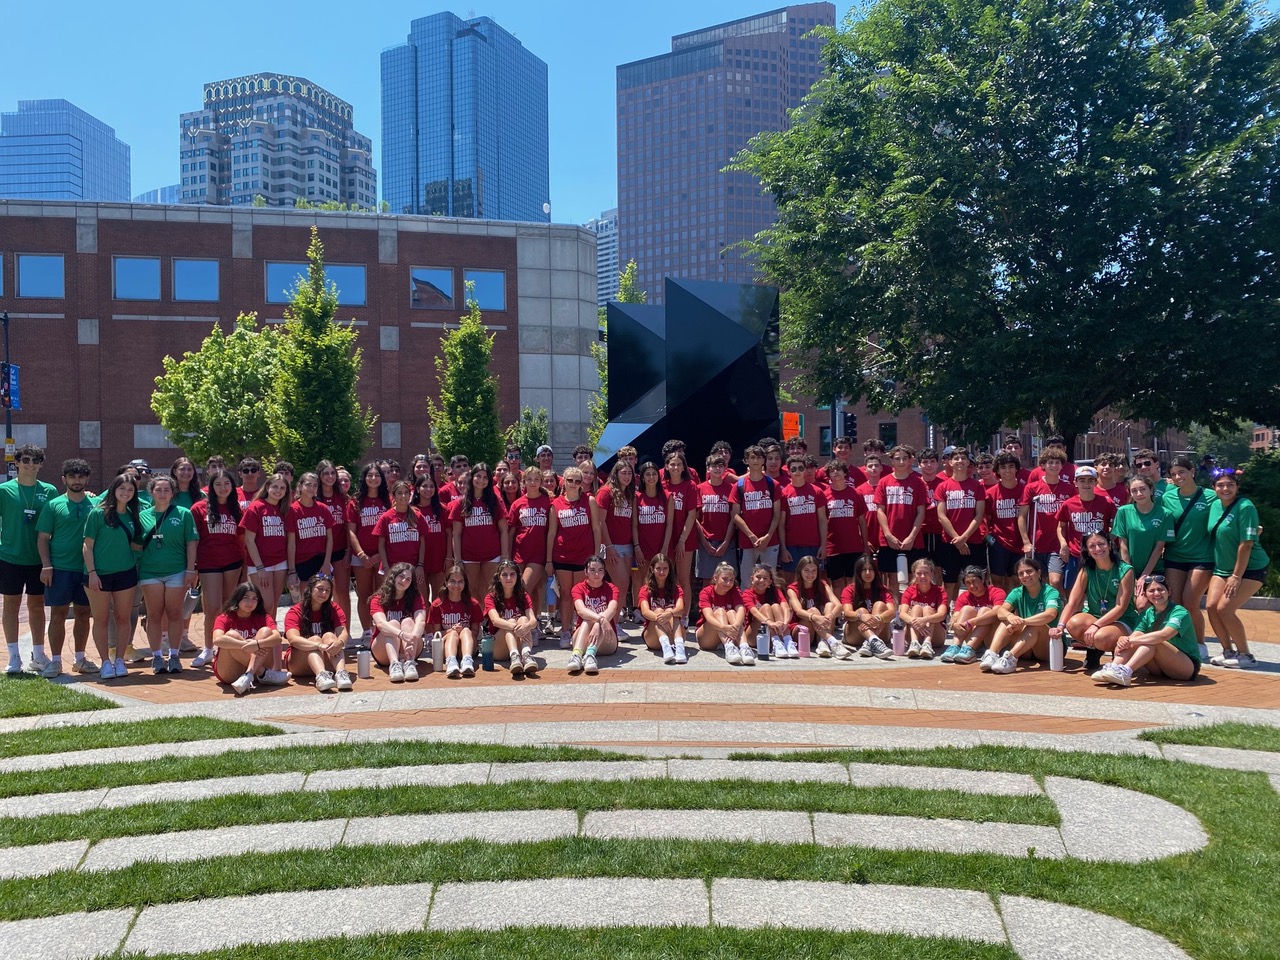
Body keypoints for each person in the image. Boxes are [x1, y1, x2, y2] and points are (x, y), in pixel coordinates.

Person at [34, 459, 96, 677]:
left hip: (86, 569)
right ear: (64, 479)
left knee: (83, 612)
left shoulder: (95, 505)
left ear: (87, 479)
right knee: (58, 614)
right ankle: (56, 661)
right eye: (72, 476)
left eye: (81, 477)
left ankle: (80, 659)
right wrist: (46, 565)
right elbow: (43, 538)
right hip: (59, 568)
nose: (76, 481)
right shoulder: (54, 505)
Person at [0, 444, 58, 674]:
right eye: (26, 460)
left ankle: (38, 654)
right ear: (17, 463)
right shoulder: (4, 490)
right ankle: (14, 657)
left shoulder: (50, 491)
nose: (30, 464)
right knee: (11, 606)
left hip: (39, 560)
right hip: (9, 557)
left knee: (37, 606)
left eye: (36, 460)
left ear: (41, 464)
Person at [1206, 470, 1270, 669]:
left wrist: (1236, 576)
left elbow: (1246, 544)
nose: (1225, 488)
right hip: (1222, 568)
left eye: (1230, 484)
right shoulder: (1215, 505)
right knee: (1211, 607)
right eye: (1221, 485)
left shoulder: (1245, 507)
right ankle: (1228, 651)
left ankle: (1246, 655)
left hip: (1250, 568)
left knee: (1225, 609)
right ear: (1214, 488)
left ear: (1237, 487)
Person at [82, 474, 144, 679]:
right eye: (122, 488)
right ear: (113, 489)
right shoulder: (98, 514)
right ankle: (105, 662)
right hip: (98, 575)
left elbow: (135, 544)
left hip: (125, 573)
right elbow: (87, 546)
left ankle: (119, 659)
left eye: (130, 490)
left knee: (123, 618)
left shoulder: (133, 514)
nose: (126, 493)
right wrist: (92, 573)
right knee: (100, 619)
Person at [1050, 531, 1136, 674]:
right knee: (1074, 623)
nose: (1097, 549)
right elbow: (1072, 602)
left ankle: (1118, 650)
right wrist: (1060, 626)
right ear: (1087, 551)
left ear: (1109, 545)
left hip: (1122, 620)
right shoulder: (1086, 570)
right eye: (1092, 546)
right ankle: (1094, 650)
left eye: (1101, 544)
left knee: (1101, 637)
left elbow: (1120, 608)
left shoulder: (1125, 570)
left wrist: (1096, 625)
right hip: (1096, 616)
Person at [138, 475, 199, 674]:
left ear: (173, 493)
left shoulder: (183, 514)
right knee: (154, 614)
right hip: (150, 572)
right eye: (158, 490)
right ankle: (157, 656)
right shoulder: (142, 516)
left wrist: (191, 569)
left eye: (167, 490)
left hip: (177, 571)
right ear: (151, 492)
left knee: (174, 613)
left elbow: (192, 542)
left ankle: (174, 655)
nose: (162, 494)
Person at [1093, 575, 1200, 687]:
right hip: (1159, 668)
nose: (1157, 593)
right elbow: (1136, 635)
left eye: (1161, 590)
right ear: (1145, 595)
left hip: (1186, 667)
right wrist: (1123, 640)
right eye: (1151, 591)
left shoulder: (1180, 612)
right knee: (1130, 641)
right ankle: (1114, 667)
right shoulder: (1146, 614)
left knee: (1153, 641)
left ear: (1168, 592)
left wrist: (1132, 641)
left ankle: (1126, 671)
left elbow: (1164, 635)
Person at [1160, 455, 1218, 654]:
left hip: (1202, 557)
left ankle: (1200, 644)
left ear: (1192, 471)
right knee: (1174, 603)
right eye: (1174, 474)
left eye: (1181, 472)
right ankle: (1181, 642)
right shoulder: (1168, 496)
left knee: (1191, 602)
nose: (1178, 477)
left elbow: (1226, 517)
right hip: (1175, 556)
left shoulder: (1210, 496)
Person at [190, 468, 244, 669]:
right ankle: (208, 648)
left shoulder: (237, 509)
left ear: (232, 486)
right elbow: (193, 540)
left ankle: (225, 648)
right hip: (208, 563)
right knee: (211, 608)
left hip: (232, 562)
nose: (223, 488)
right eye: (218, 484)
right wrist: (193, 567)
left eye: (227, 483)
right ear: (211, 486)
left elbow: (242, 540)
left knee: (229, 607)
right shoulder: (198, 509)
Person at [545, 465, 598, 647]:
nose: (574, 484)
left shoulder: (589, 500)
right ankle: (566, 631)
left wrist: (597, 555)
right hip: (562, 556)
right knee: (566, 595)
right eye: (570, 481)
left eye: (578, 481)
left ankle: (580, 630)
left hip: (584, 556)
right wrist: (549, 560)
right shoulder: (556, 504)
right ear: (564, 482)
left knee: (581, 595)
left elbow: (596, 529)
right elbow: (551, 533)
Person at [983, 557, 1062, 675]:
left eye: (1029, 571)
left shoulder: (1050, 592)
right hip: (1026, 648)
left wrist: (1022, 621)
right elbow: (1001, 611)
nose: (1025, 575)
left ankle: (1010, 658)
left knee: (1035, 625)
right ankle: (992, 654)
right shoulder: (1017, 592)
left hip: (1048, 648)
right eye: (1021, 573)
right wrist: (1010, 616)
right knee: (1006, 621)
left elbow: (1050, 614)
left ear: (1039, 573)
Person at [211, 582, 286, 695]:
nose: (250, 602)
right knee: (232, 635)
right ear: (237, 598)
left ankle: (248, 675)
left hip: (257, 665)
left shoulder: (263, 617)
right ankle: (263, 673)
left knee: (266, 631)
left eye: (254, 599)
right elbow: (217, 640)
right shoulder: (224, 617)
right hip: (230, 671)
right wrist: (246, 645)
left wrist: (257, 644)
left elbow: (277, 638)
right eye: (246, 598)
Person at [875, 445, 929, 597]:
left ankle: (911, 610)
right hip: (889, 539)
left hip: (913, 539)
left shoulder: (918, 483)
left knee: (915, 577)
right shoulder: (884, 482)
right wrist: (888, 535)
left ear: (910, 460)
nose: (901, 462)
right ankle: (896, 614)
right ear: (891, 460)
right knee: (893, 578)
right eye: (897, 458)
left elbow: (921, 512)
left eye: (905, 458)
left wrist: (911, 537)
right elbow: (880, 510)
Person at [448, 463, 508, 599]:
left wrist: (504, 556)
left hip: (492, 555)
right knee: (471, 591)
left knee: (490, 591)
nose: (481, 480)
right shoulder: (461, 503)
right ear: (472, 477)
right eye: (478, 476)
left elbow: (504, 530)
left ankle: (488, 620)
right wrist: (457, 560)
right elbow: (456, 534)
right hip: (469, 556)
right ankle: (474, 620)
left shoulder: (495, 501)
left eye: (485, 477)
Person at [283, 573, 351, 692]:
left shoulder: (334, 608)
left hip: (325, 658)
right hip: (299, 663)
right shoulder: (295, 611)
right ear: (309, 589)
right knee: (315, 639)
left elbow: (343, 633)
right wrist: (318, 645)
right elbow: (293, 639)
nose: (324, 593)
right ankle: (321, 676)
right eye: (320, 589)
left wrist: (340, 643)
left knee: (330, 636)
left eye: (327, 590)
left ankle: (341, 673)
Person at [1111, 475, 1174, 603]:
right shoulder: (1123, 512)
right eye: (1134, 490)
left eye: (1143, 489)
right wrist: (1130, 574)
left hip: (1153, 569)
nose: (1139, 493)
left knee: (1142, 603)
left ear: (1151, 490)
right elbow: (1123, 546)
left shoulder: (1165, 514)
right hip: (1127, 568)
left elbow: (1159, 548)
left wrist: (1144, 577)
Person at [934, 448, 987, 599]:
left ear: (968, 462)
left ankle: (973, 611)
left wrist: (964, 538)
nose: (960, 461)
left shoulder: (977, 486)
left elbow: (979, 514)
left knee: (974, 581)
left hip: (973, 541)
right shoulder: (943, 486)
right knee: (950, 582)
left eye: (963, 458)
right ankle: (949, 615)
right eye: (956, 458)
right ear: (950, 462)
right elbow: (941, 516)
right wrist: (957, 539)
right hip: (949, 542)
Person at [345, 462, 390, 643]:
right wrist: (362, 554)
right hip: (361, 556)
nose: (373, 478)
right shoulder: (355, 502)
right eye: (370, 475)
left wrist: (381, 553)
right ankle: (366, 631)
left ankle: (381, 629)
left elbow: (392, 529)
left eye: (377, 475)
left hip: (383, 555)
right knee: (364, 594)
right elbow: (351, 531)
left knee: (381, 594)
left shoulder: (388, 500)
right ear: (364, 478)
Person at [240, 472, 291, 626]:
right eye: (275, 486)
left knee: (273, 604)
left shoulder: (284, 510)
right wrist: (260, 567)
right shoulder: (256, 507)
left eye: (282, 488)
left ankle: (270, 636)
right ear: (267, 487)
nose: (278, 490)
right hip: (260, 564)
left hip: (280, 562)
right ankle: (260, 634)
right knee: (265, 604)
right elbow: (249, 540)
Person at [1018, 447, 1073, 589]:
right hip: (1037, 543)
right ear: (1043, 465)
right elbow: (1022, 516)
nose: (1054, 466)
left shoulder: (1069, 489)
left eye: (1057, 462)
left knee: (1055, 581)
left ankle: (1058, 608)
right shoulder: (1032, 488)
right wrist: (1026, 542)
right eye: (1050, 462)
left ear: (1062, 465)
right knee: (1038, 582)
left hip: (1057, 544)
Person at [1054, 466, 1116, 592]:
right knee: (1071, 590)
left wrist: (1109, 540)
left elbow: (1116, 525)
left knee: (1100, 589)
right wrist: (1063, 544)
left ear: (1096, 482)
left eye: (1090, 480)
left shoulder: (1106, 502)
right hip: (1076, 554)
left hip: (1099, 554)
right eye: (1082, 480)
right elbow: (1061, 527)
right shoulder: (1068, 504)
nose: (1086, 484)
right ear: (1075, 483)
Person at [730, 445, 782, 584]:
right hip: (747, 541)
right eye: (752, 457)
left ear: (763, 460)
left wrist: (768, 536)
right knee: (747, 581)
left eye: (759, 457)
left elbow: (777, 515)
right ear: (746, 460)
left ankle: (770, 605)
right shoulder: (739, 485)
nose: (756, 461)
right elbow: (735, 515)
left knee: (769, 581)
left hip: (769, 541)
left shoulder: (773, 484)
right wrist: (751, 536)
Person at [507, 467, 551, 630]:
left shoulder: (548, 502)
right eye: (529, 479)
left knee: (525, 586)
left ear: (541, 482)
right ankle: (533, 624)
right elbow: (511, 531)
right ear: (523, 482)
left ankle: (529, 625)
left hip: (538, 554)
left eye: (536, 479)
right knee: (531, 592)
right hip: (519, 553)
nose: (532, 483)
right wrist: (508, 555)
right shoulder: (518, 503)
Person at [595, 461, 638, 621]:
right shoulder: (606, 492)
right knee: (622, 582)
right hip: (611, 546)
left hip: (626, 545)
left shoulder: (629, 493)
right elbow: (601, 521)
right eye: (623, 473)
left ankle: (614, 622)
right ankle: (611, 621)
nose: (627, 476)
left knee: (622, 586)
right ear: (616, 473)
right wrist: (609, 546)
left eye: (629, 473)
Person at [564, 555, 620, 675]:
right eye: (592, 570)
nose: (596, 574)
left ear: (604, 572)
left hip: (607, 639)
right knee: (588, 619)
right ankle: (577, 655)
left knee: (593, 620)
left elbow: (612, 609)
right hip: (582, 638)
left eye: (600, 570)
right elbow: (581, 611)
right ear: (585, 571)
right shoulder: (578, 588)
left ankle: (590, 655)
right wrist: (600, 619)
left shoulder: (612, 588)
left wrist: (598, 622)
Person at [372, 562, 429, 681]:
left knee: (408, 621)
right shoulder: (378, 598)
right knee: (392, 624)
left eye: (408, 579)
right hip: (383, 649)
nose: (404, 581)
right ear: (393, 576)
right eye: (401, 576)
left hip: (410, 647)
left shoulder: (416, 597)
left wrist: (413, 638)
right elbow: (381, 624)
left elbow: (421, 622)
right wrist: (402, 634)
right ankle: (395, 664)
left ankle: (410, 663)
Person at [286, 473, 336, 602]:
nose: (311, 488)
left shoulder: (323, 508)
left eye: (315, 485)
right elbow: (291, 543)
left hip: (321, 560)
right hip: (302, 561)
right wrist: (291, 570)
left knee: (324, 599)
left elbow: (330, 539)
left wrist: (326, 563)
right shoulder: (293, 510)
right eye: (308, 484)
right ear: (300, 486)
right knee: (306, 600)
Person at [484, 559, 539, 676]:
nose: (508, 578)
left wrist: (527, 626)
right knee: (511, 621)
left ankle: (525, 654)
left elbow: (533, 621)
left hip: (518, 640)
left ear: (517, 577)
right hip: (498, 647)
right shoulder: (491, 597)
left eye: (512, 574)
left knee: (524, 619)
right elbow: (495, 621)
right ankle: (514, 656)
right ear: (498, 578)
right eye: (504, 574)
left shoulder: (523, 595)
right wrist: (515, 626)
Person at [822, 460, 869, 596]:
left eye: (839, 469)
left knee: (852, 581)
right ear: (829, 475)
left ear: (845, 473)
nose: (836, 472)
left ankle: (851, 610)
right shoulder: (824, 496)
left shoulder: (856, 494)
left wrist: (865, 545)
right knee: (836, 582)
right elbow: (822, 522)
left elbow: (862, 521)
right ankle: (840, 613)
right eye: (832, 470)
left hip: (853, 546)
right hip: (832, 547)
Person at [779, 456, 829, 583]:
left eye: (800, 468)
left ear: (805, 470)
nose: (797, 471)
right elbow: (781, 524)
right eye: (794, 469)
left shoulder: (817, 492)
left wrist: (823, 545)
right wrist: (783, 548)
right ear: (789, 471)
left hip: (813, 545)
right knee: (791, 581)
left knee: (814, 581)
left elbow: (823, 520)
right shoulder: (784, 493)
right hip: (791, 545)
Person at [662, 452, 700, 616]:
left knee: (683, 579)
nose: (676, 467)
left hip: (685, 538)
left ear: (684, 467)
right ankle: (667, 612)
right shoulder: (661, 485)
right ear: (667, 466)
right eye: (672, 464)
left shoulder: (690, 486)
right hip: (665, 538)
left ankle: (683, 616)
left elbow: (692, 515)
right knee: (665, 578)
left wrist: (682, 540)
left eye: (679, 464)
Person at [786, 555, 846, 657]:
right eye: (806, 570)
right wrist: (816, 617)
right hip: (801, 631)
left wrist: (829, 616)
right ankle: (831, 641)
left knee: (830, 605)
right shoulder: (792, 589)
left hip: (820, 628)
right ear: (800, 571)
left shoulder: (822, 584)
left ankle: (823, 642)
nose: (811, 574)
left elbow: (839, 606)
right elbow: (798, 611)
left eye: (814, 570)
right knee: (813, 610)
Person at [315, 460, 351, 625]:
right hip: (318, 552)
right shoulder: (314, 497)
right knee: (320, 592)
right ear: (319, 476)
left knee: (342, 592)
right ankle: (324, 627)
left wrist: (349, 550)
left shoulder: (342, 497)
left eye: (332, 473)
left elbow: (348, 526)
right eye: (325, 474)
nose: (329, 477)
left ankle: (345, 630)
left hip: (340, 550)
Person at [985, 452, 1028, 590]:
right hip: (999, 542)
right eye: (1003, 467)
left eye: (1011, 466)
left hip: (1020, 542)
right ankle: (1000, 608)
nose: (1007, 470)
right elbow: (985, 518)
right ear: (997, 470)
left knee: (1017, 579)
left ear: (1016, 469)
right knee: (997, 580)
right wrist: (989, 538)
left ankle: (1015, 610)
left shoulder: (1026, 491)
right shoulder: (991, 493)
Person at [375, 480, 428, 592]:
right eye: (399, 493)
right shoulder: (386, 517)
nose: (403, 496)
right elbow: (381, 545)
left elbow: (422, 542)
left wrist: (420, 565)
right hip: (392, 567)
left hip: (413, 566)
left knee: (419, 598)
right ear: (393, 495)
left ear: (410, 495)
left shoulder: (417, 516)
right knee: (391, 600)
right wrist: (386, 568)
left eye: (406, 493)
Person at [695, 454, 738, 590]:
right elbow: (695, 518)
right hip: (706, 541)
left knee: (727, 579)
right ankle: (706, 609)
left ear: (725, 469)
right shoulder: (700, 488)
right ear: (708, 469)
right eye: (714, 466)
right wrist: (704, 542)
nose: (717, 469)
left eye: (720, 466)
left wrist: (726, 542)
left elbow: (734, 517)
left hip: (726, 542)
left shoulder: (731, 488)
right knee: (707, 581)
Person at [946, 566, 1007, 664]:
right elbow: (956, 615)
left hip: (991, 638)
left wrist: (973, 621)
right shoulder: (964, 596)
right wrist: (954, 624)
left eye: (974, 581)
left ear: (982, 580)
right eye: (968, 583)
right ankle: (955, 646)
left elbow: (997, 611)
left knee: (985, 611)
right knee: (966, 609)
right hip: (972, 634)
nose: (971, 586)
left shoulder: (997, 592)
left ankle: (970, 648)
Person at [841, 555, 896, 659]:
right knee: (862, 610)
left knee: (880, 605)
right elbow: (847, 612)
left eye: (871, 569)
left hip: (881, 632)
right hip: (855, 635)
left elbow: (892, 611)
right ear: (858, 572)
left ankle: (870, 641)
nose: (868, 573)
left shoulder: (882, 590)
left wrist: (878, 618)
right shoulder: (850, 589)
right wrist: (861, 616)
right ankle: (873, 640)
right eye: (864, 570)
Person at [432, 564, 481, 678]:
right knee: (453, 633)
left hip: (467, 644)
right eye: (452, 581)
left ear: (465, 583)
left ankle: (467, 661)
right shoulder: (437, 604)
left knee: (466, 631)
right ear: (446, 582)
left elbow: (475, 631)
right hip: (447, 643)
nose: (456, 585)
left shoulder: (473, 604)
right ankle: (451, 662)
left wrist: (463, 630)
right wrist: (451, 630)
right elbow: (436, 634)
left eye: (460, 582)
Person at [697, 562, 751, 664]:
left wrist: (735, 626)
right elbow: (708, 616)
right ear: (715, 578)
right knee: (720, 611)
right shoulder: (706, 592)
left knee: (731, 612)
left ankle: (744, 648)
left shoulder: (735, 591)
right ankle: (729, 647)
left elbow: (741, 610)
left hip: (731, 633)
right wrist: (723, 628)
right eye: (725, 579)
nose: (728, 583)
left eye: (731, 580)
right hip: (708, 636)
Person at [637, 552, 687, 664]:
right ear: (651, 569)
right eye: (658, 568)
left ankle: (679, 649)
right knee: (658, 610)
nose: (661, 572)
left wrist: (669, 614)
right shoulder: (645, 589)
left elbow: (680, 609)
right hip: (653, 637)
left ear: (670, 570)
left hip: (674, 632)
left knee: (671, 611)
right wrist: (660, 618)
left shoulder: (676, 589)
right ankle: (666, 649)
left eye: (665, 568)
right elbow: (645, 612)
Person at [634, 461, 673, 594]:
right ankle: (643, 611)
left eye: (654, 474)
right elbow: (634, 526)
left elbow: (669, 525)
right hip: (643, 546)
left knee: (663, 580)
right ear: (642, 478)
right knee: (644, 580)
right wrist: (637, 547)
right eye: (648, 474)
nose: (651, 477)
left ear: (659, 476)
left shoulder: (667, 497)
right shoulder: (637, 497)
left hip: (661, 545)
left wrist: (665, 547)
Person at [899, 558, 949, 658]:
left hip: (935, 635)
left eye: (926, 573)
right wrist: (916, 622)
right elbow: (902, 614)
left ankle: (927, 643)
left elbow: (942, 615)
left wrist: (925, 619)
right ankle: (914, 643)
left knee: (927, 609)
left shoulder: (940, 591)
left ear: (932, 573)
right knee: (916, 608)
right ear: (914, 574)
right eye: (919, 573)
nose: (922, 576)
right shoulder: (909, 591)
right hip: (914, 631)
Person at [744, 563, 795, 658]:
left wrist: (785, 622)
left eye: (765, 578)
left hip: (777, 630)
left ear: (770, 582)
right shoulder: (747, 593)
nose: (761, 580)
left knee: (776, 606)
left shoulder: (775, 591)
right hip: (755, 635)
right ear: (752, 579)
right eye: (758, 577)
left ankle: (787, 640)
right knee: (766, 606)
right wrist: (770, 623)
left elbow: (785, 606)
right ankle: (775, 641)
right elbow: (754, 611)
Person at [413, 474, 448, 602]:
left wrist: (449, 556)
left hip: (439, 558)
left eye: (431, 486)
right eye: (424, 486)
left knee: (438, 599)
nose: (428, 489)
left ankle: (436, 623)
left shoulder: (442, 509)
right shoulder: (411, 510)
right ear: (417, 489)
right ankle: (425, 622)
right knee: (421, 599)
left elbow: (449, 534)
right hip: (419, 560)